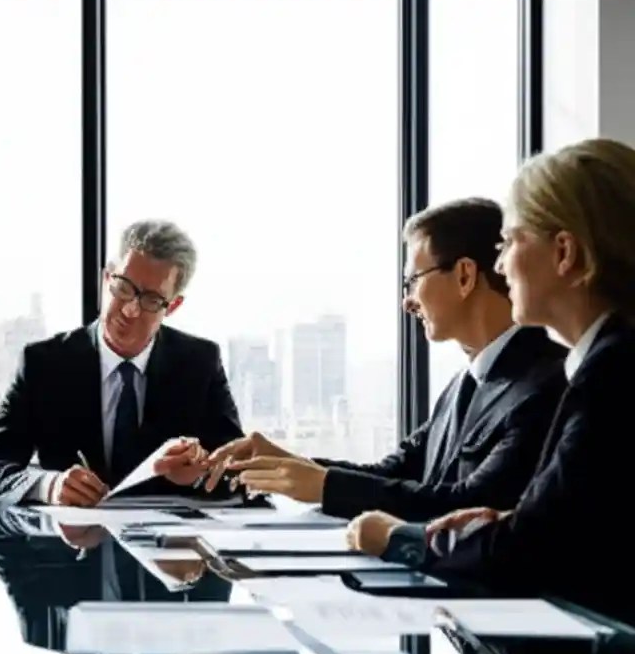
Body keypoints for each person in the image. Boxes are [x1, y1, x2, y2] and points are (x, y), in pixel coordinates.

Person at [348, 138, 635, 624]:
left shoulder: (611, 375)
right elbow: (569, 529)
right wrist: (508, 525)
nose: (499, 265)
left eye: (509, 243)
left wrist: (400, 539)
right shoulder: (606, 362)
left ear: (564, 252)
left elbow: (530, 552)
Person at [200, 199, 566, 521]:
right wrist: (283, 459)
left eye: (413, 281)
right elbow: (393, 474)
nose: (407, 301)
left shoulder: (547, 385)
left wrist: (324, 485)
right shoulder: (465, 385)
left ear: (465, 275)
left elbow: (472, 504)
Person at [0, 220, 244, 505]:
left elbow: (243, 476)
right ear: (107, 278)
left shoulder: (199, 363)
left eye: (151, 299)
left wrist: (199, 474)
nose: (130, 310)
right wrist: (49, 485)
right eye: (124, 287)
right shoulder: (44, 364)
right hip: (69, 545)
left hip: (165, 546)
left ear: (172, 306)